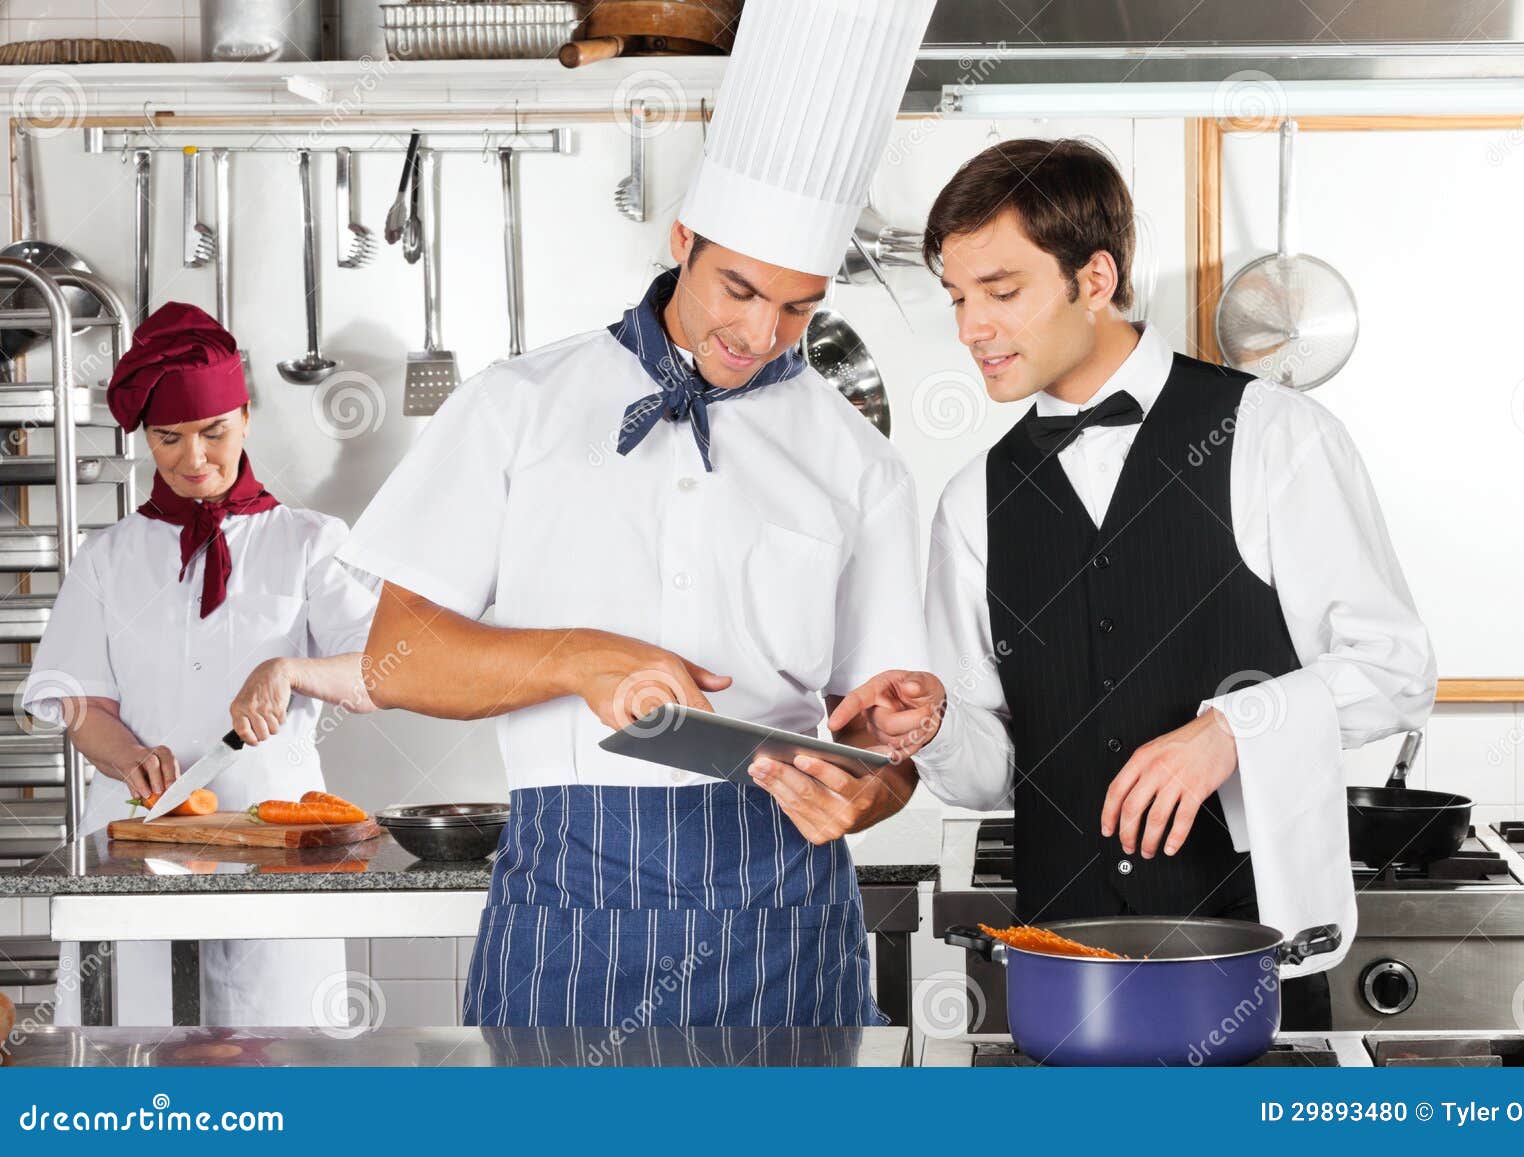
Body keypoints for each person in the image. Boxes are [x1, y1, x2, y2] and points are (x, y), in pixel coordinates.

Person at [335, 0, 937, 1028]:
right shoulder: (516, 406)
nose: (759, 332)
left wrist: (880, 770)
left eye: (797, 306)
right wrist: (579, 658)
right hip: (573, 911)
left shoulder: (859, 461)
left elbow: (882, 746)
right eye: (738, 289)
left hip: (785, 917)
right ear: (683, 237)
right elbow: (396, 661)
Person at [830, 138, 1437, 1030]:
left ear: (1096, 276)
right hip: (1061, 975)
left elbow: (1396, 668)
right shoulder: (972, 503)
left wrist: (1231, 731)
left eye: (1001, 292)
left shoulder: (1277, 437)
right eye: (959, 298)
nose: (971, 329)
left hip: (1246, 966)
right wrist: (933, 724)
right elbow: (996, 771)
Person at [22, 302, 380, 1026]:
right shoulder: (108, 556)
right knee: (134, 1060)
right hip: (136, 842)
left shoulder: (311, 541)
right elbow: (76, 698)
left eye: (214, 432)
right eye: (168, 437)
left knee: (283, 1071)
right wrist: (127, 758)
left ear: (246, 415)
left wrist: (293, 670)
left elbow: (381, 672)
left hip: (278, 848)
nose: (194, 458)